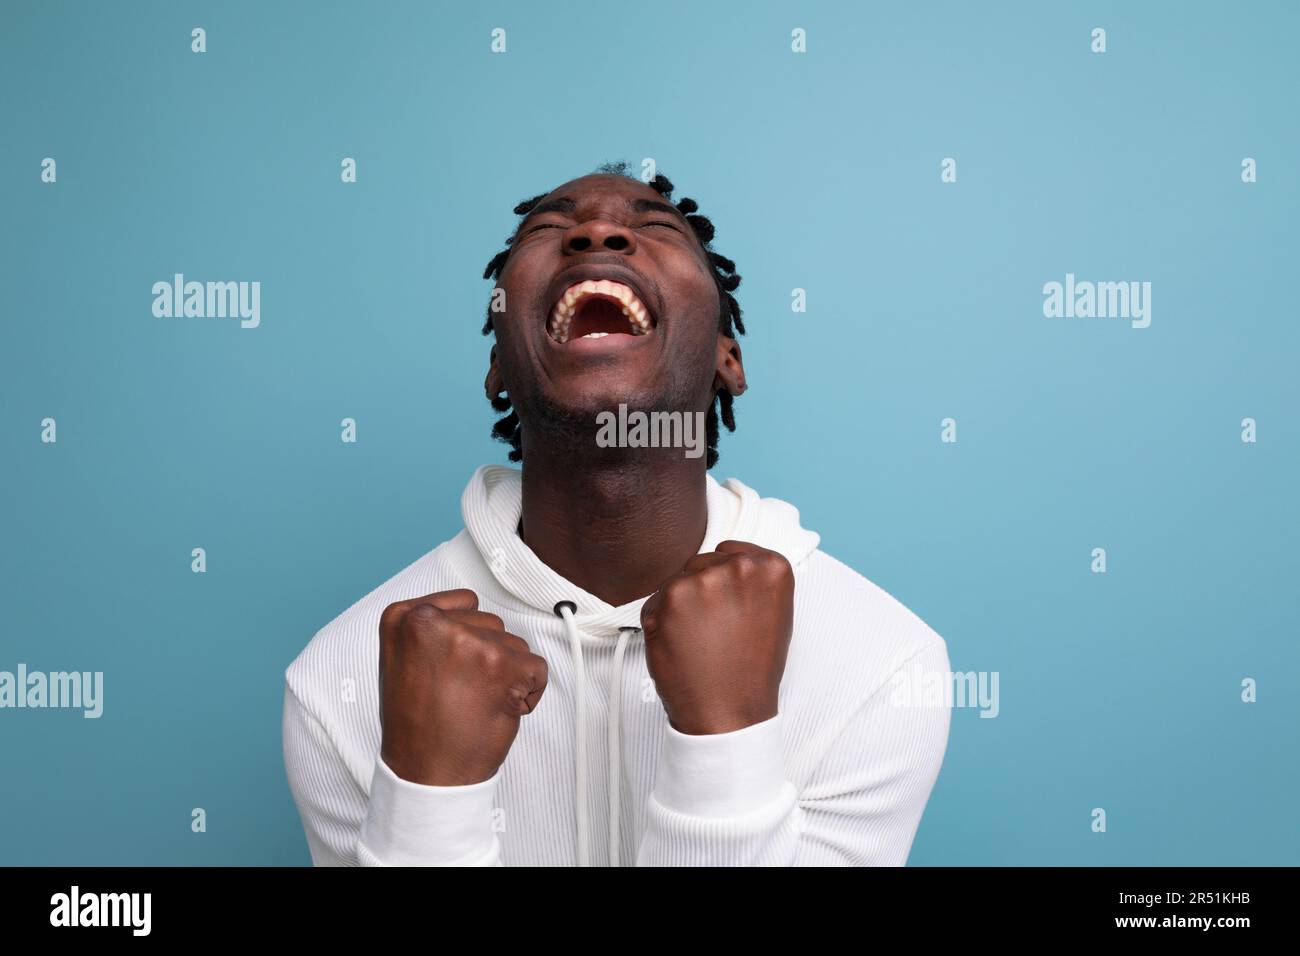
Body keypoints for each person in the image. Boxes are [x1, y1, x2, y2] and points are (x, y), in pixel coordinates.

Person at [282, 164, 952, 866]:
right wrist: (427, 800)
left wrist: (724, 733)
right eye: (548, 228)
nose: (597, 233)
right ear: (498, 368)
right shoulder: (344, 677)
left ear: (728, 359)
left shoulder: (881, 661)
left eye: (655, 227)